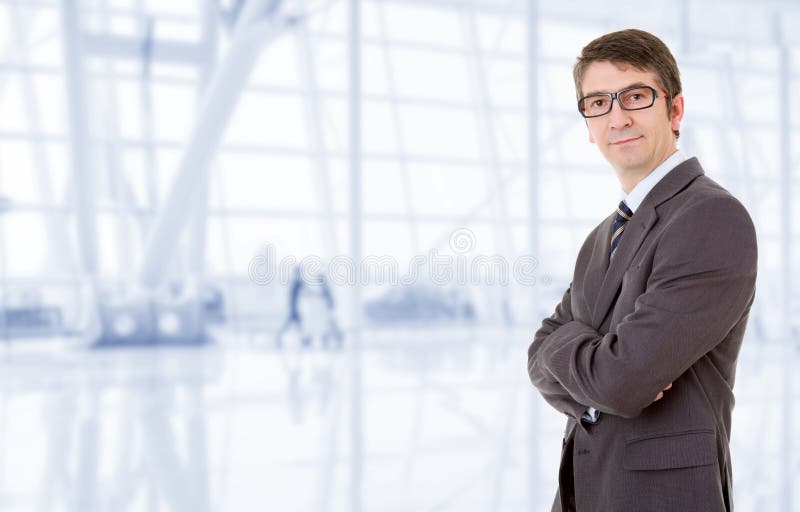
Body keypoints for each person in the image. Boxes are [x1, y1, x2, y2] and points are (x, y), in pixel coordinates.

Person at [526, 29, 757, 512]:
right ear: (588, 126)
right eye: (598, 103)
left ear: (674, 111)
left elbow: (621, 382)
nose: (618, 117)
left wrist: (566, 349)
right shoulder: (600, 238)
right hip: (584, 493)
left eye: (635, 96)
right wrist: (585, 358)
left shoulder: (711, 218)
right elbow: (536, 357)